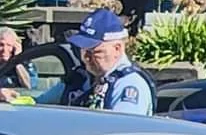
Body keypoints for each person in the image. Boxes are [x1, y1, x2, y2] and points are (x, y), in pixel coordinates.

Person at [0, 8, 155, 114]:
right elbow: (39, 104)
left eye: (94, 52)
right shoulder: (81, 79)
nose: (86, 58)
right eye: (83, 50)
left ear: (117, 49)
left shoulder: (129, 85)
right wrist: (14, 100)